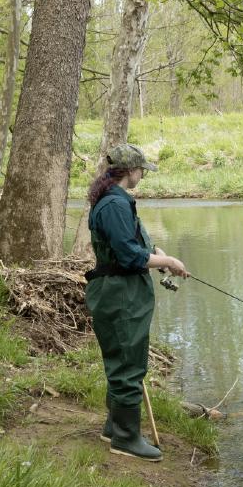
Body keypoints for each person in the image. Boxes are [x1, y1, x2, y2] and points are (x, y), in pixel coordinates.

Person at [84, 143, 189, 461]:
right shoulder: (114, 204)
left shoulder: (113, 199)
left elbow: (134, 242)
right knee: (128, 363)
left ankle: (113, 427)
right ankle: (126, 439)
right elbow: (129, 256)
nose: (143, 174)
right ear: (130, 171)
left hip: (119, 290)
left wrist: (160, 255)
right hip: (121, 294)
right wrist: (167, 259)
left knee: (121, 360)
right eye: (141, 169)